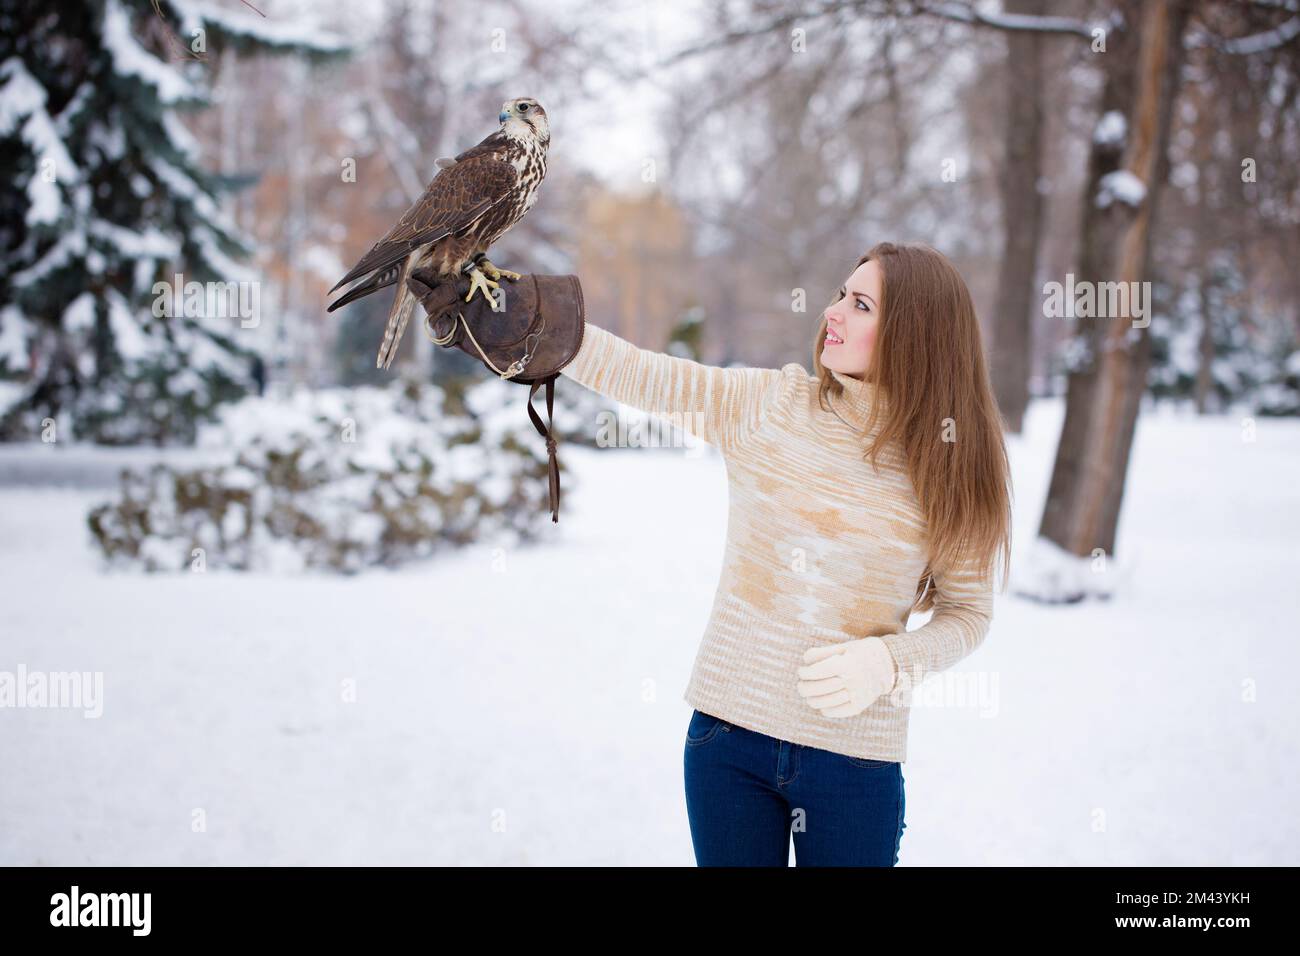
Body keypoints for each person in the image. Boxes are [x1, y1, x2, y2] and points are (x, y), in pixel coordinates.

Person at [410, 241, 1013, 866]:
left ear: (918, 333)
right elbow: (647, 375)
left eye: (860, 305)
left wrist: (890, 662)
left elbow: (968, 614)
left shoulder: (948, 463)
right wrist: (536, 323)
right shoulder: (773, 407)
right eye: (840, 295)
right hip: (729, 744)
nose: (832, 312)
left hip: (855, 763)